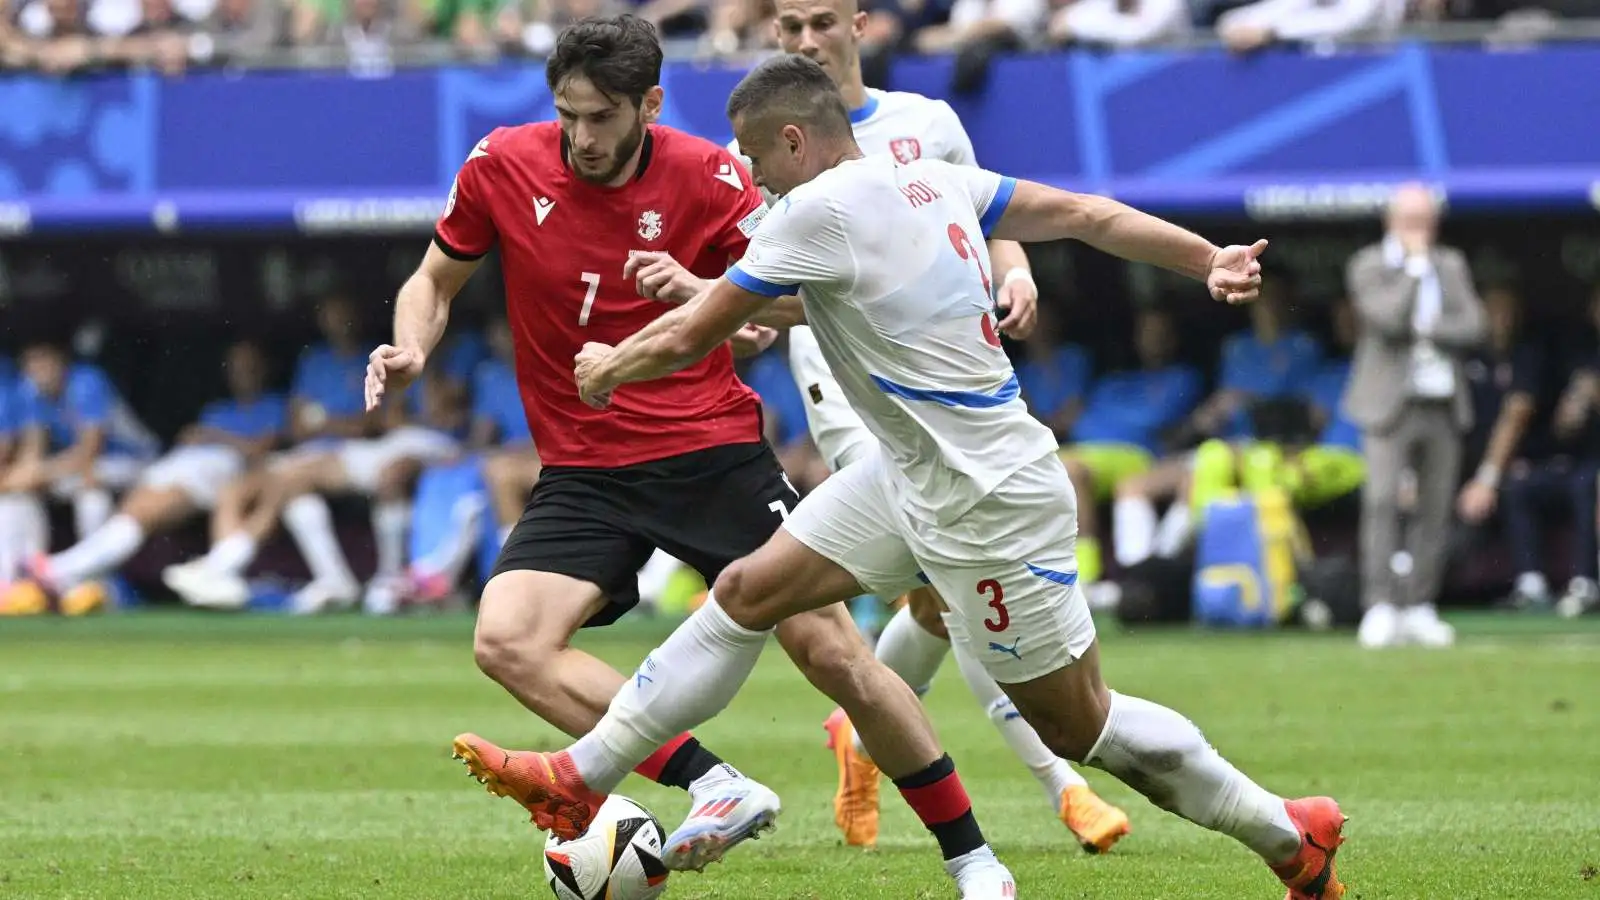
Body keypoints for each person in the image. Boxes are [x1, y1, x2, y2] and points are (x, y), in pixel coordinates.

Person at [466, 54, 1348, 900]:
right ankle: (577, 775)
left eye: (756, 155)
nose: (750, 177)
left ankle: (1286, 832)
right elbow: (1083, 214)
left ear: (795, 141)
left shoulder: (815, 211)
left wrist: (612, 367)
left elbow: (701, 332)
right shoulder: (927, 176)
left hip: (987, 498)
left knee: (1081, 725)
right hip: (911, 473)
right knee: (746, 588)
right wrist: (1207, 259)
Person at [365, 16, 1015, 896]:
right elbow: (432, 281)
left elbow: (807, 290)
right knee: (507, 641)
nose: (581, 137)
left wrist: (718, 303)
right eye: (568, 115)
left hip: (708, 450)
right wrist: (410, 346)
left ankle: (974, 861)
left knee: (830, 653)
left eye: (601, 118)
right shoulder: (502, 164)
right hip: (585, 466)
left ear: (650, 104)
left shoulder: (710, 175)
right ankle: (715, 783)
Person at [626, 0, 1129, 853]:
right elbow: (781, 283)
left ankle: (863, 725)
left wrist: (1016, 271)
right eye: (787, 27)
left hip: (942, 388)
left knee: (940, 602)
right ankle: (1062, 783)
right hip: (853, 398)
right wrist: (708, 302)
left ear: (862, 25)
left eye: (820, 22)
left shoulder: (923, 122)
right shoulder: (766, 144)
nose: (804, 40)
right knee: (950, 589)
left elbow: (987, 217)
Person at [24, 340, 288, 600]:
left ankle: (60, 570)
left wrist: (214, 436)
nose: (241, 374)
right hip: (181, 461)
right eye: (235, 368)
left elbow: (262, 448)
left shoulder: (275, 405)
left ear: (263, 368)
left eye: (249, 367)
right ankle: (66, 573)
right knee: (132, 510)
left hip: (222, 467)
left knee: (138, 508)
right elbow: (190, 438)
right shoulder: (216, 410)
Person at [1344, 183, 1485, 648]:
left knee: (1434, 508)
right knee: (1383, 502)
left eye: (1424, 220)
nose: (1418, 229)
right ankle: (1381, 605)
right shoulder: (1368, 264)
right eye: (1409, 219)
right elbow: (1388, 319)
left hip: (1443, 401)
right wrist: (1413, 269)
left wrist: (1433, 327)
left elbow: (1475, 324)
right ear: (1391, 221)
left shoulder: (1452, 264)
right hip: (1388, 404)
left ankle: (1420, 604)